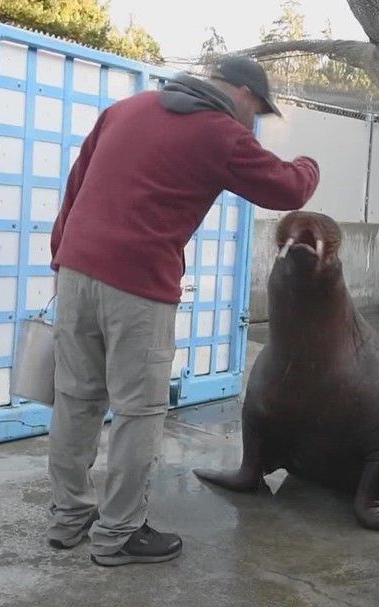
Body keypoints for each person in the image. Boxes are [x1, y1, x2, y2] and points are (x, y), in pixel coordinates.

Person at [44, 56, 321, 567]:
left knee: (75, 400)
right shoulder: (220, 133)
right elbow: (287, 188)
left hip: (76, 273)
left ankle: (68, 519)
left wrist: (62, 257)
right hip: (137, 287)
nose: (251, 122)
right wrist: (310, 164)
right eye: (256, 110)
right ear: (239, 91)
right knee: (137, 411)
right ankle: (119, 534)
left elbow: (75, 185)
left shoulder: (126, 109)